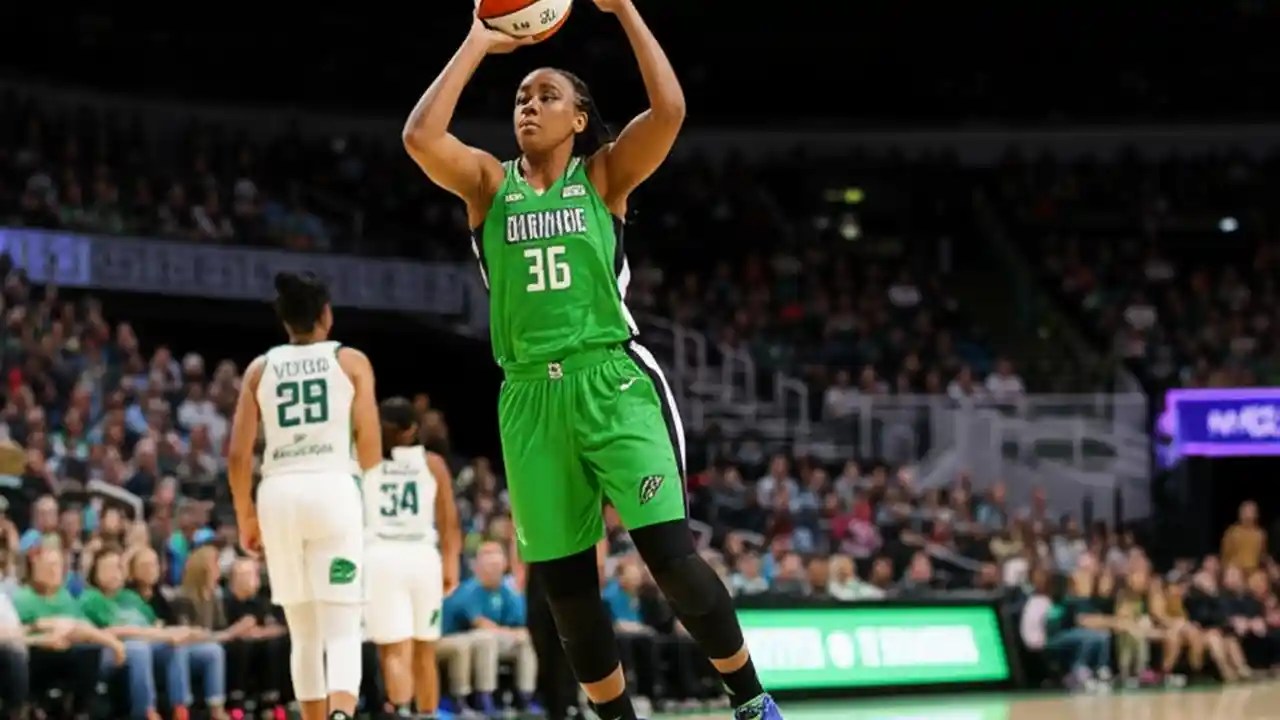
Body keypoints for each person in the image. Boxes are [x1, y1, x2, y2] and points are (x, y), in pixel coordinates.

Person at [401, 1, 780, 718]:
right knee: (566, 590)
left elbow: (668, 110)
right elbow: (420, 135)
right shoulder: (488, 184)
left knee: (671, 560)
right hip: (527, 397)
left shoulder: (603, 177)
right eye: (522, 97)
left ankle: (751, 700)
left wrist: (625, 11)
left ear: (579, 119)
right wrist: (478, 42)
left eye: (547, 96)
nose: (529, 105)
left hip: (611, 380)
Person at [228, 271, 382, 720]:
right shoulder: (351, 361)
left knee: (304, 632)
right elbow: (369, 445)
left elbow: (238, 456)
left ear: (285, 323)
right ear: (326, 316)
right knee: (343, 627)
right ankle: (341, 715)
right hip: (333, 486)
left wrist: (245, 518)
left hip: (278, 492)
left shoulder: (259, 369)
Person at [364, 397, 463, 719]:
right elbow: (449, 521)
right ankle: (427, 714)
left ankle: (402, 710)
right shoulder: (432, 463)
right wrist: (451, 564)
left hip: (381, 558)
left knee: (394, 650)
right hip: (422, 559)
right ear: (412, 430)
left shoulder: (364, 461)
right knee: (425, 649)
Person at [441, 541, 537, 716]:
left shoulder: (507, 592)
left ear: (504, 565)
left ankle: (525, 697)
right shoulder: (468, 590)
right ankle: (485, 698)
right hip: (454, 637)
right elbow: (480, 624)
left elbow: (518, 624)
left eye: (497, 562)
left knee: (526, 640)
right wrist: (510, 633)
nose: (493, 567)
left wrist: (518, 634)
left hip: (491, 639)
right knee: (487, 638)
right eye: (488, 562)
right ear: (477, 566)